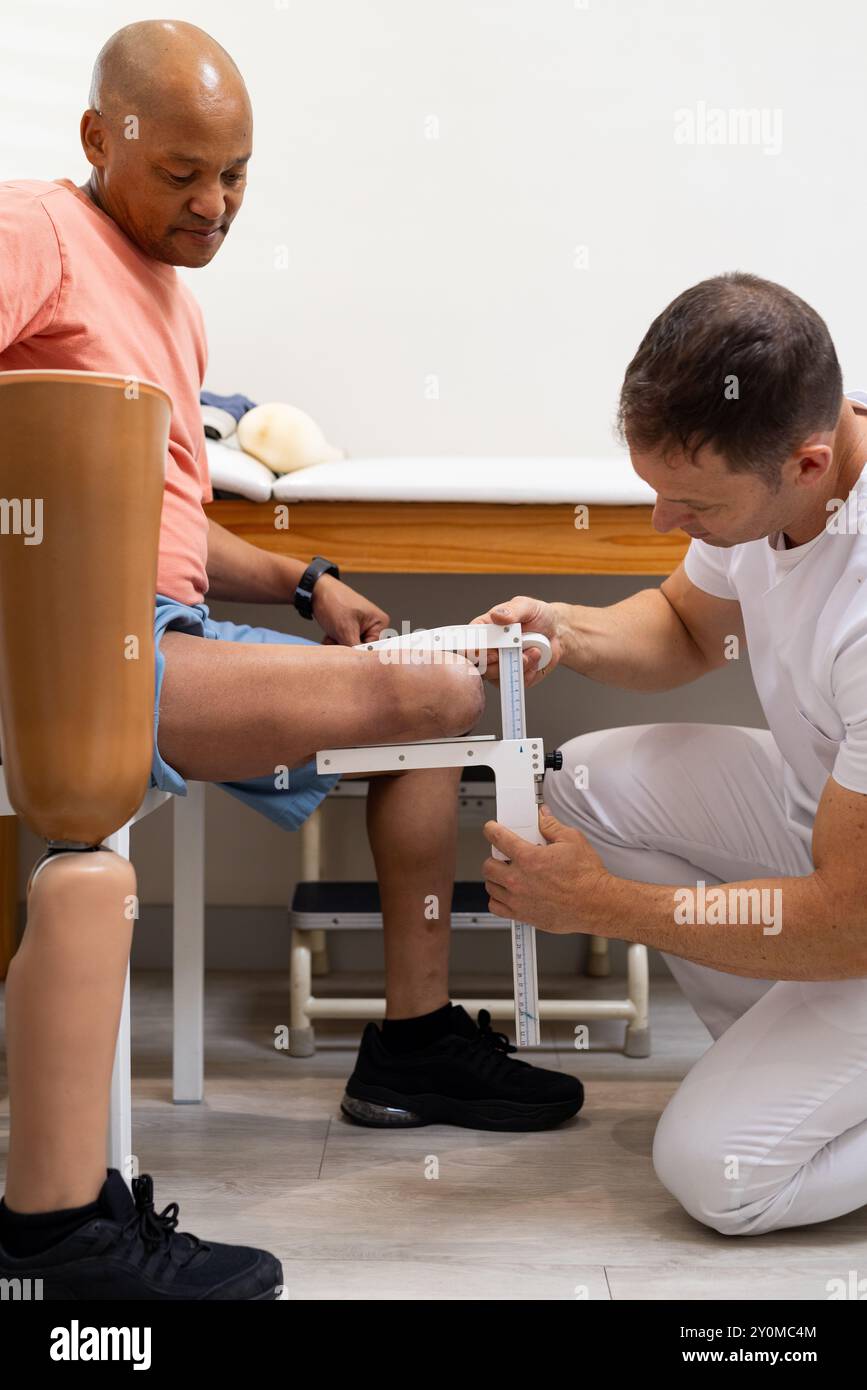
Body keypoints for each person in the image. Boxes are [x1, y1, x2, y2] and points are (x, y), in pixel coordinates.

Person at [0, 20, 580, 1301]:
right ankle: (59, 1232)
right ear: (101, 140)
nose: (214, 205)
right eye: (182, 173)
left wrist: (306, 580)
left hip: (165, 626)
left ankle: (414, 1044)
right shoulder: (38, 230)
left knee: (437, 685)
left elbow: (167, 512)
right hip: (78, 639)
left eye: (238, 174)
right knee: (434, 685)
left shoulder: (174, 302)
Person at [475, 272, 867, 1236]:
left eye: (687, 503)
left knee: (723, 1177)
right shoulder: (778, 468)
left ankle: (793, 1100)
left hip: (859, 904)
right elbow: (686, 629)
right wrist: (561, 627)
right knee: (589, 784)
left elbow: (855, 921)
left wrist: (602, 907)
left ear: (809, 465)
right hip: (837, 833)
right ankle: (791, 1062)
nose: (661, 523)